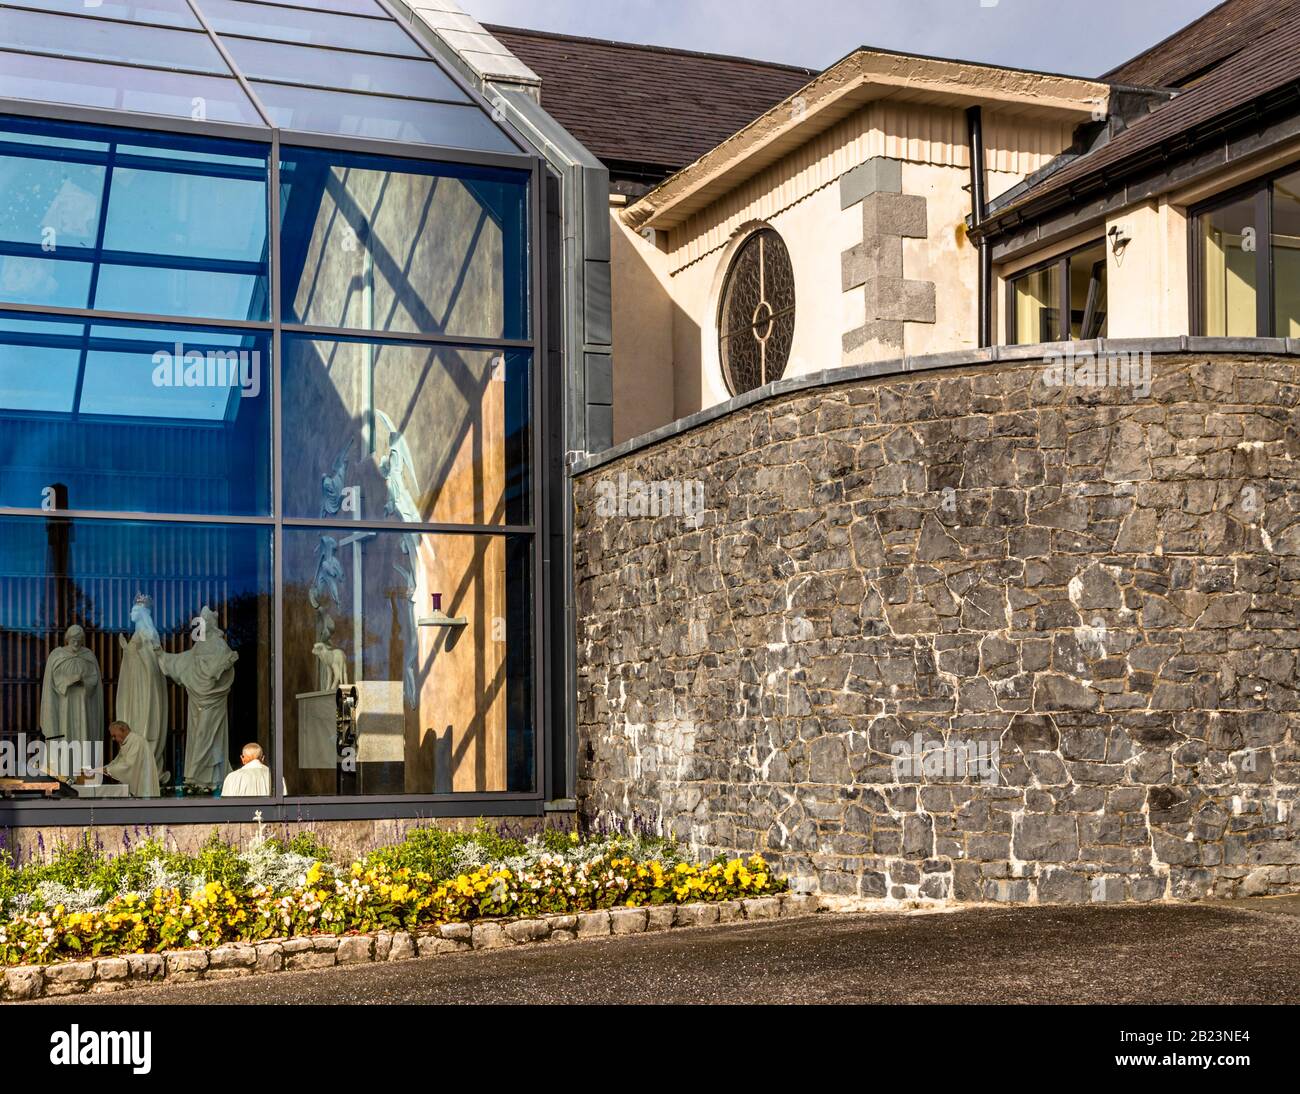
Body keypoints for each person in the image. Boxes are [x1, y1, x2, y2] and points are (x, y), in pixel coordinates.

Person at [92, 721, 160, 798]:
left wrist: (107, 770)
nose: (113, 739)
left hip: (142, 787)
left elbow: (129, 765)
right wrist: (102, 769)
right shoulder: (128, 742)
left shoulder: (136, 741)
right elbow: (116, 762)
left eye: (114, 735)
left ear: (123, 730)